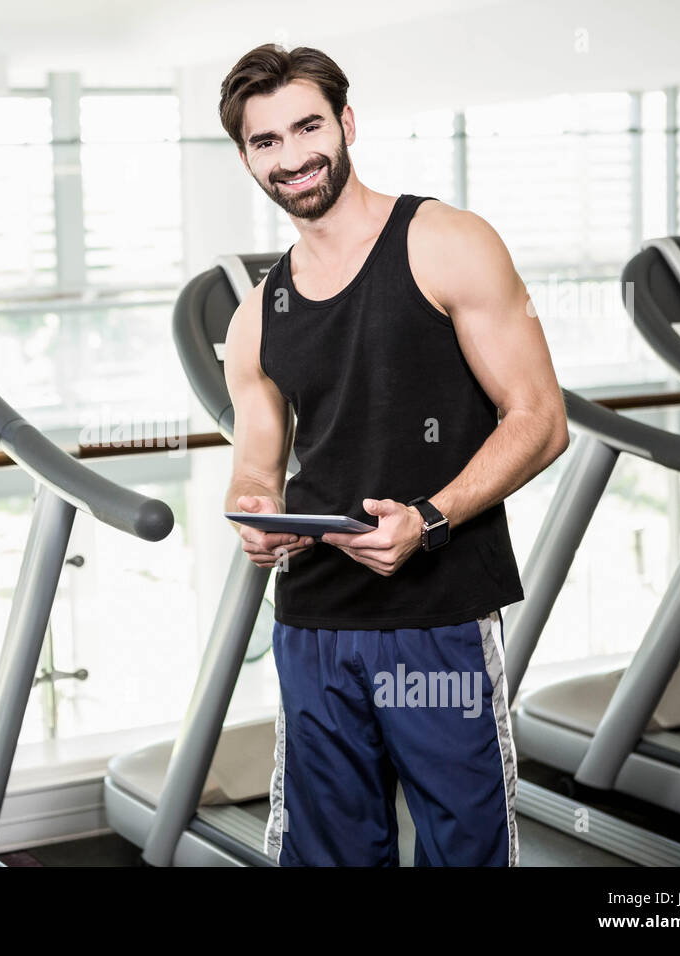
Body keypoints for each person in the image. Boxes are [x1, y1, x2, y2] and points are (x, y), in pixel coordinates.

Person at [218, 44, 569, 866]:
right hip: (313, 622)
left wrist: (429, 519)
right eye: (265, 141)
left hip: (436, 613)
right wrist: (258, 518)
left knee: (464, 848)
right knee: (328, 851)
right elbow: (256, 468)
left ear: (345, 123)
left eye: (308, 127)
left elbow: (540, 419)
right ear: (246, 157)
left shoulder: (446, 240)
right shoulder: (255, 315)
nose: (292, 156)